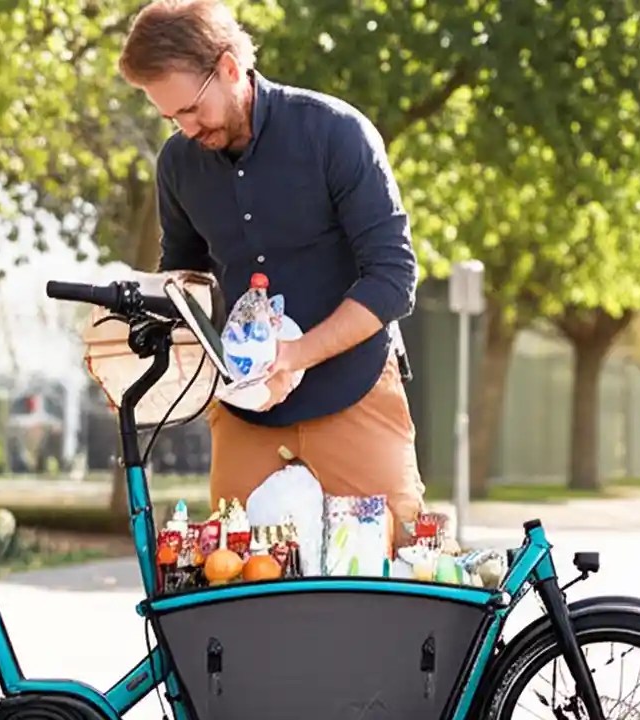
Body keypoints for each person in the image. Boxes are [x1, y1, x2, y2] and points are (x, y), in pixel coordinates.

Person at [118, 0, 426, 543]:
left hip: (353, 390)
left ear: (231, 68)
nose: (186, 130)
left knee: (396, 572)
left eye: (191, 110)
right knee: (229, 588)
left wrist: (296, 357)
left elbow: (393, 278)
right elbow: (185, 280)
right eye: (171, 119)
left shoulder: (337, 134)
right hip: (245, 411)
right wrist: (137, 328)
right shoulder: (177, 165)